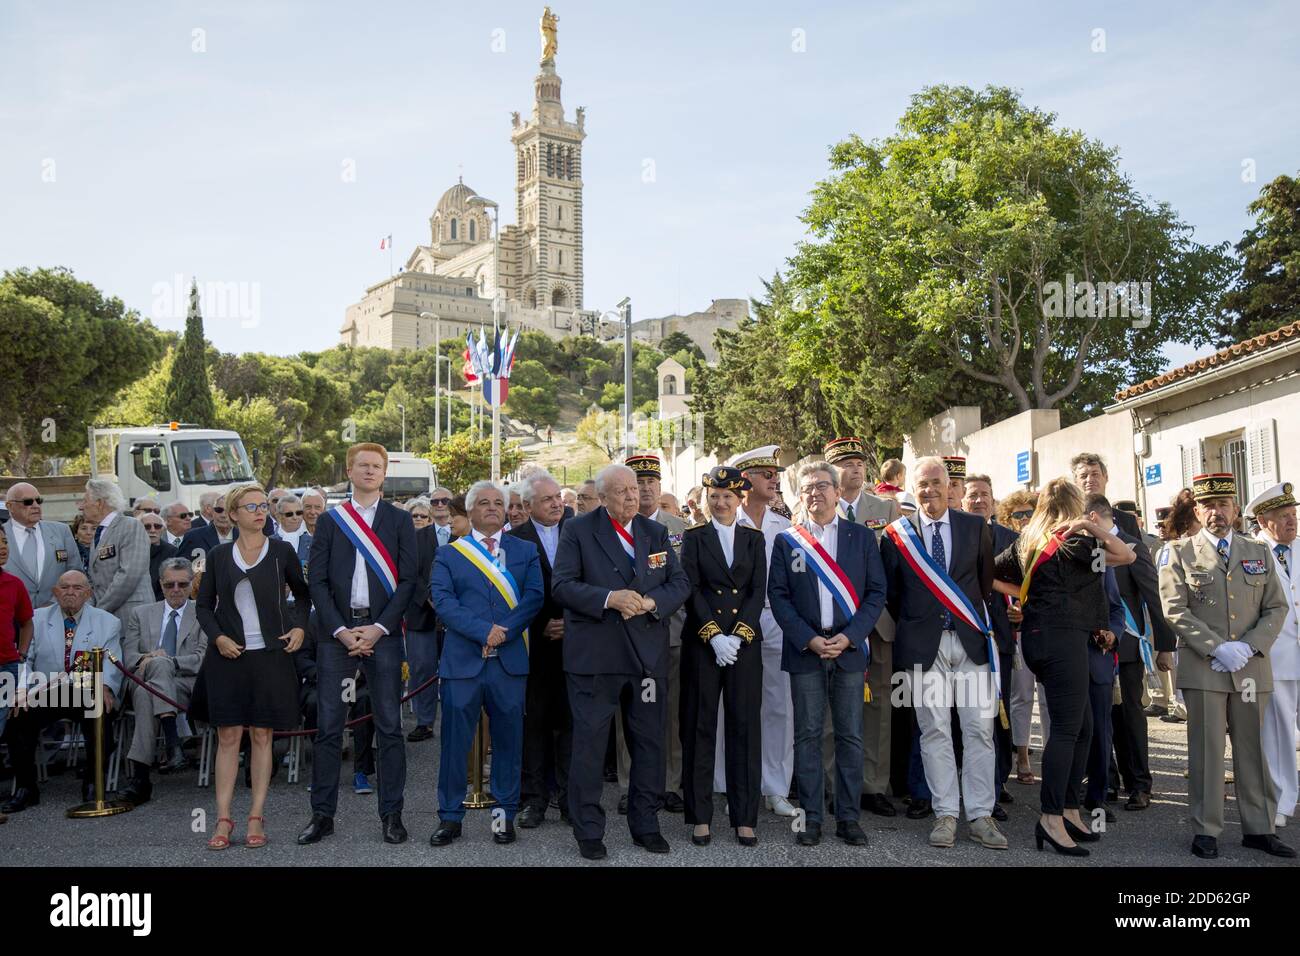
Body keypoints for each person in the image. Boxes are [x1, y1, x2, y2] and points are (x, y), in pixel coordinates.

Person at [552, 463, 691, 860]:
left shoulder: (655, 532)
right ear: (603, 496)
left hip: (647, 657)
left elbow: (679, 584)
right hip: (596, 658)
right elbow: (561, 585)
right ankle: (589, 831)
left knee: (649, 745)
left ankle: (646, 825)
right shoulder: (578, 529)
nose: (632, 496)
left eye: (635, 489)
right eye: (622, 491)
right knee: (591, 747)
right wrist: (609, 598)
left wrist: (651, 602)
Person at [993, 477, 1133, 857]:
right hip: (1065, 639)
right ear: (1075, 506)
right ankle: (1050, 817)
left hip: (1039, 639)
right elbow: (1125, 556)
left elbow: (990, 575)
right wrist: (1089, 525)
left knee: (1083, 727)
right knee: (1068, 731)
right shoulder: (1075, 540)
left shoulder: (1028, 539)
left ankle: (1070, 809)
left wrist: (1024, 595)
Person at [1160, 473, 1293, 859]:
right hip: (1207, 668)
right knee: (1207, 750)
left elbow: (1276, 608)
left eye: (1223, 505)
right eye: (1208, 506)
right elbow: (1174, 609)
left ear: (1236, 509)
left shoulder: (1258, 552)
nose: (1216, 512)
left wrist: (1249, 647)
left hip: (1251, 668)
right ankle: (1206, 829)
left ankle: (1260, 828)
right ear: (1197, 511)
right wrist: (1217, 648)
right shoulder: (1179, 553)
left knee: (1254, 750)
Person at [881, 457, 1005, 850]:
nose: (930, 490)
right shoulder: (896, 534)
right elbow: (893, 594)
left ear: (950, 486)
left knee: (979, 731)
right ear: (912, 488)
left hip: (969, 642)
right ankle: (946, 814)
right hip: (923, 646)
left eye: (937, 482)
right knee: (934, 731)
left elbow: (984, 584)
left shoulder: (974, 526)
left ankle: (981, 815)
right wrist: (922, 623)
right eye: (923, 483)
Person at [300, 443, 418, 846]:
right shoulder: (333, 522)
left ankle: (392, 815)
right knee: (330, 728)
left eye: (377, 466)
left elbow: (408, 581)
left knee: (389, 727)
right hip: (338, 635)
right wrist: (339, 630)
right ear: (349, 471)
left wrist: (381, 627)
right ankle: (322, 815)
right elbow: (315, 581)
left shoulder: (400, 521)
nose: (370, 471)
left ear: (385, 474)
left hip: (382, 635)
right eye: (362, 465)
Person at [768, 460, 885, 847]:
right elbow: (779, 597)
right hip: (807, 651)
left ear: (837, 492)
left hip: (848, 650)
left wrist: (850, 637)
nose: (815, 492)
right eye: (807, 488)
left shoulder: (862, 538)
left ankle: (849, 819)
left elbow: (875, 593)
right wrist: (809, 638)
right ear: (799, 496)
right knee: (808, 736)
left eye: (822, 485)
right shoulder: (788, 541)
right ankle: (812, 818)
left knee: (850, 736)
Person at [428, 480, 543, 847]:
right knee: (454, 745)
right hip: (463, 662)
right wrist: (483, 631)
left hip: (508, 663)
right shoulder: (449, 554)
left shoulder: (524, 550)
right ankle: (449, 817)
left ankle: (503, 816)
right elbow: (443, 602)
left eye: (499, 502)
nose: (492, 507)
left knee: (509, 743)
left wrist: (503, 633)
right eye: (484, 503)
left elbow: (534, 597)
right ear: (470, 511)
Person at [194, 484, 308, 849]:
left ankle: (256, 816)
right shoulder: (218, 555)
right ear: (233, 514)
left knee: (262, 735)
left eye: (263, 506)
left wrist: (299, 626)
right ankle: (223, 819)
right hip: (229, 656)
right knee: (228, 737)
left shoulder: (282, 551)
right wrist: (217, 638)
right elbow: (202, 606)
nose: (260, 512)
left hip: (271, 656)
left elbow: (303, 594)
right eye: (251, 506)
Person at [679, 466, 766, 846]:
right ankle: (700, 816)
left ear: (739, 499)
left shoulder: (754, 539)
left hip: (743, 647)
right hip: (703, 644)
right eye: (714, 495)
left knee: (744, 728)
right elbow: (690, 588)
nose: (720, 502)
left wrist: (738, 637)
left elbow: (756, 592)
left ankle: (744, 817)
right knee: (699, 728)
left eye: (727, 496)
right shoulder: (694, 537)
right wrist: (714, 637)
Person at [1, 570, 122, 813]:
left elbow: (113, 660)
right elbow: (25, 659)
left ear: (88, 593)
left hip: (85, 688)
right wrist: (22, 690)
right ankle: (25, 788)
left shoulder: (107, 622)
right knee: (18, 717)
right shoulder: (36, 618)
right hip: (44, 689)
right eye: (64, 587)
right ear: (55, 592)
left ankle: (92, 784)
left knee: (99, 712)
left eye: (77, 588)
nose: (70, 592)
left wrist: (106, 687)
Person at [823, 437, 899, 817]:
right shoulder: (819, 507)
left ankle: (872, 784)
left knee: (877, 705)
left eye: (859, 463)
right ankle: (830, 783)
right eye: (846, 463)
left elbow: (899, 567)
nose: (855, 469)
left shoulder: (886, 509)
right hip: (831, 623)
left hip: (877, 622)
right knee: (829, 706)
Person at [612, 452, 686, 814]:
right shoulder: (616, 525)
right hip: (624, 636)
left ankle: (669, 783)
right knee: (628, 714)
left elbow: (687, 584)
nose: (643, 490)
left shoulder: (679, 527)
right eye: (636, 484)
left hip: (668, 633)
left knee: (668, 714)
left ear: (660, 485)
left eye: (650, 482)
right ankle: (629, 784)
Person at [728, 445, 796, 818]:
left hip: (774, 618)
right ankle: (728, 785)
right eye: (766, 474)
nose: (774, 480)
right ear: (745, 480)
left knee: (778, 706)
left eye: (776, 475)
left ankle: (775, 787)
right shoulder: (726, 520)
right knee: (731, 704)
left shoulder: (782, 527)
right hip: (732, 621)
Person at [1101, 492, 1177, 813]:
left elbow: (1153, 596)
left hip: (1127, 648)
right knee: (1101, 717)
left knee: (1130, 717)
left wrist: (1164, 646)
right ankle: (1107, 781)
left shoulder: (1132, 545)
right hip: (1094, 647)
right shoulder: (1085, 546)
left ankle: (1139, 785)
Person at [509, 471, 573, 828]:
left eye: (557, 497)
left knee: (570, 723)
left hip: (575, 643)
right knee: (533, 723)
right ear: (528, 505)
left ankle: (568, 798)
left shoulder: (579, 532)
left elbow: (592, 582)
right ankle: (533, 799)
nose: (555, 503)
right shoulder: (514, 540)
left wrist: (572, 625)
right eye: (547, 499)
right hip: (533, 646)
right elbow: (510, 596)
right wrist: (538, 625)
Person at [118, 557, 206, 805]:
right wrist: (151, 658)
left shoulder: (203, 613)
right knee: (152, 678)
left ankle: (141, 779)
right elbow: (129, 657)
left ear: (191, 584)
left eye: (182, 584)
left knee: (154, 681)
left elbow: (202, 659)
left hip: (184, 685)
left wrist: (169, 661)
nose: (176, 590)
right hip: (145, 681)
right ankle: (172, 740)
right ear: (160, 584)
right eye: (169, 585)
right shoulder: (141, 613)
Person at [963, 473, 1019, 817]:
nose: (979, 500)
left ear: (994, 502)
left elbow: (1026, 586)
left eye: (985, 494)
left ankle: (995, 788)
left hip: (999, 639)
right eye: (973, 495)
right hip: (963, 638)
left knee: (998, 717)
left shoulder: (1012, 539)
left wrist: (1021, 610)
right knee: (966, 718)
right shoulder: (953, 534)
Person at [1246, 482, 1300, 828]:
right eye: (1284, 516)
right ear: (1264, 521)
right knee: (1279, 732)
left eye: (1294, 514)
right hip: (1276, 654)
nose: (1292, 521)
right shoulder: (1252, 553)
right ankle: (1282, 801)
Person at [998, 490, 1041, 785]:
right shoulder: (1006, 545)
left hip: (1046, 630)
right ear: (1008, 519)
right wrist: (1015, 605)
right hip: (1016, 632)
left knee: (1049, 699)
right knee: (1021, 695)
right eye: (1018, 515)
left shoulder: (1044, 543)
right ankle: (1022, 755)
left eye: (1029, 513)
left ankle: (1052, 758)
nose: (1024, 519)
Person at [81, 478, 154, 627]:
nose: (81, 506)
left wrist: (100, 609)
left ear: (100, 503)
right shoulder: (100, 532)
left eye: (85, 500)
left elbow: (129, 575)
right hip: (108, 616)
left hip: (130, 616)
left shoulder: (130, 526)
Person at [4, 481, 84, 608]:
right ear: (10, 506)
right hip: (10, 615)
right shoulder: (2, 535)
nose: (36, 506)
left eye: (39, 500)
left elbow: (75, 571)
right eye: (28, 502)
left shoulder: (61, 531)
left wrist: (54, 603)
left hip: (56, 612)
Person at [0, 528, 35, 810]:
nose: (2, 547)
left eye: (4, 541)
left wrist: (21, 655)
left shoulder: (14, 584)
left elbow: (26, 622)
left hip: (7, 667)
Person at [404, 497, 443, 745]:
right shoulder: (414, 539)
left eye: (445, 501)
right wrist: (429, 598)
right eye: (436, 500)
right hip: (421, 614)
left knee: (454, 671)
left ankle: (453, 721)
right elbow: (408, 573)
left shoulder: (461, 536)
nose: (440, 504)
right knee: (421, 670)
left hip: (453, 616)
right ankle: (424, 722)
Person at [1071, 453, 1141, 539]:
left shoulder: (1127, 521)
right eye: (1084, 476)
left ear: (1106, 477)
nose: (1089, 480)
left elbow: (1137, 550)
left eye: (1095, 474)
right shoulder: (1070, 520)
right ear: (1075, 482)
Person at [178, 491, 239, 561]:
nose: (223, 515)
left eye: (227, 511)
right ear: (212, 511)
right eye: (219, 510)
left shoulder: (245, 536)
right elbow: (181, 567)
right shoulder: (194, 537)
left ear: (235, 514)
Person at [140, 511, 179, 601]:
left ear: (163, 529)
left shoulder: (172, 552)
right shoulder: (131, 550)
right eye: (147, 527)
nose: (153, 530)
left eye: (157, 526)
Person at [273, 494, 312, 572]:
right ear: (279, 516)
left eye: (298, 513)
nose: (295, 517)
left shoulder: (314, 542)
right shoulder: (269, 542)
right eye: (289, 514)